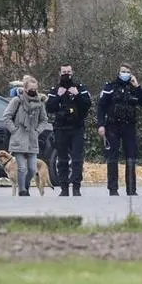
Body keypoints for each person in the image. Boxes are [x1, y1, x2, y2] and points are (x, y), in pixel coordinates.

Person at [97, 63, 142, 196]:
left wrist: (138, 86)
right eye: (123, 71)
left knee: (131, 158)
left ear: (131, 74)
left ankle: (131, 189)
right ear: (118, 72)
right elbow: (101, 106)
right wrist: (101, 125)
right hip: (112, 126)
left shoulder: (133, 88)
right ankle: (113, 189)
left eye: (127, 71)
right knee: (112, 158)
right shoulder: (110, 87)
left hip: (129, 126)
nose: (125, 73)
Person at [45, 64, 92, 197]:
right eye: (64, 72)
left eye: (69, 71)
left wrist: (76, 95)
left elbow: (87, 104)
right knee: (62, 159)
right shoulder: (55, 90)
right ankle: (64, 187)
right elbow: (49, 108)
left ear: (72, 72)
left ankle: (76, 187)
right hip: (61, 128)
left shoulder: (80, 88)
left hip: (77, 128)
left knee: (77, 159)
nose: (66, 74)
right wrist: (58, 97)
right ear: (59, 73)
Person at [3, 75, 52, 197]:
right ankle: (22, 191)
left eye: (35, 89)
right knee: (21, 168)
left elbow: (44, 119)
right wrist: (14, 130)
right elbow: (6, 116)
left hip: (32, 139)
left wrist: (37, 130)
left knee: (31, 168)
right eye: (30, 88)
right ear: (24, 88)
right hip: (18, 138)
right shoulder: (17, 101)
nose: (33, 91)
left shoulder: (40, 103)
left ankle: (24, 184)